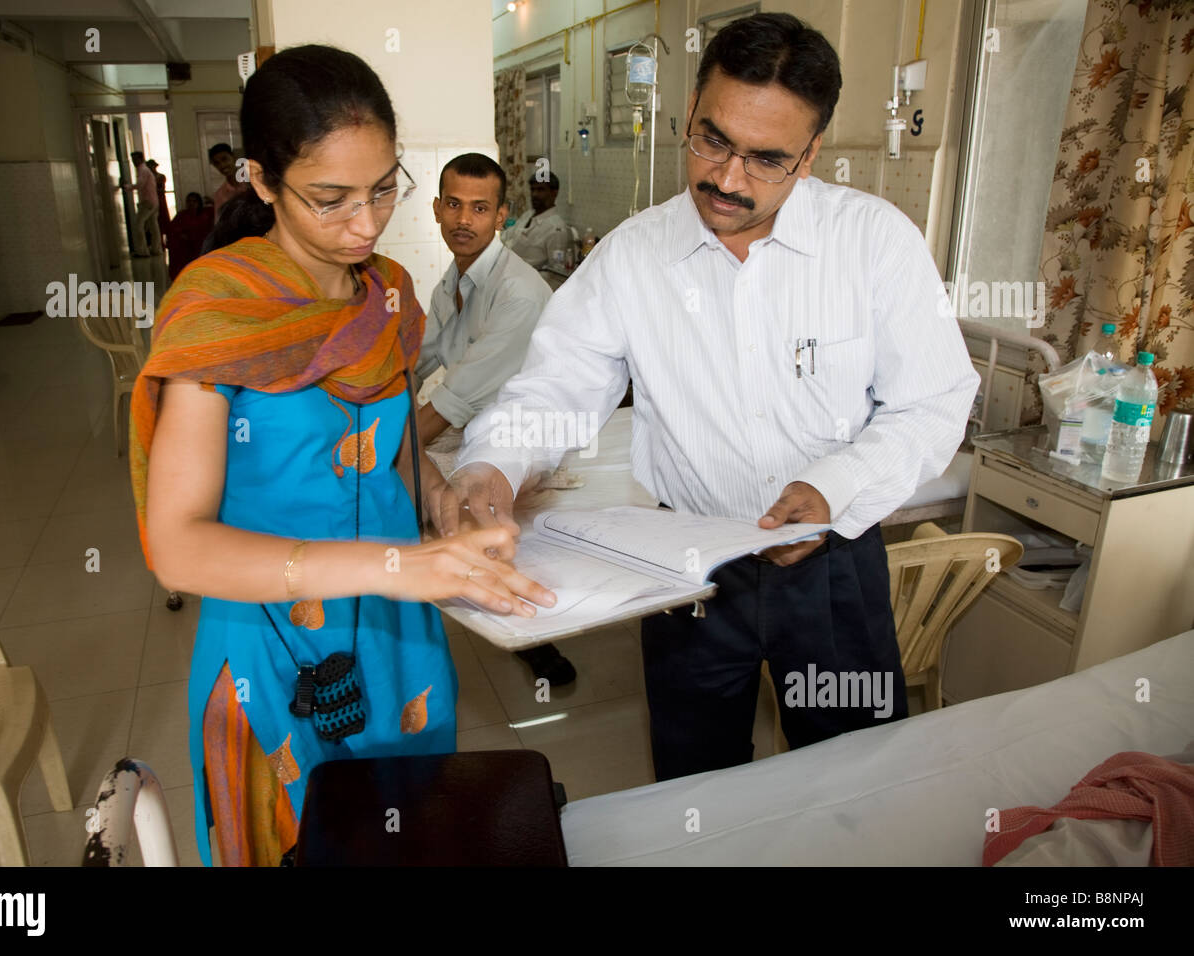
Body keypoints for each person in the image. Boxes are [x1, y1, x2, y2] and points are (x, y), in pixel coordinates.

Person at [434, 13, 980, 781]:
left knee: (854, 775)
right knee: (695, 778)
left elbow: (933, 402)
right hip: (687, 571)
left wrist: (835, 486)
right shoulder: (635, 255)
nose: (727, 179)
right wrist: (493, 463)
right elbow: (560, 384)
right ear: (689, 110)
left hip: (830, 568)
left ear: (813, 153)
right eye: (712, 140)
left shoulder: (873, 244)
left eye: (766, 160)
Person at [128, 45, 554, 866]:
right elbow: (178, 546)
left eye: (384, 188)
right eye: (331, 199)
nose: (366, 224)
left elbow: (391, 453)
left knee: (410, 837)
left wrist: (448, 499)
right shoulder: (218, 311)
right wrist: (395, 565)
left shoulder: (386, 295)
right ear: (259, 179)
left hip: (397, 641)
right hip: (271, 652)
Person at [416, 152, 577, 687]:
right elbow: (420, 358)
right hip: (475, 423)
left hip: (520, 435)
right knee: (409, 476)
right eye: (455, 206)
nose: (465, 220)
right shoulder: (456, 279)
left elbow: (448, 406)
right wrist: (366, 400)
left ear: (502, 216)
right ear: (436, 210)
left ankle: (533, 638)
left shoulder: (519, 293)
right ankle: (410, 614)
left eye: (480, 209)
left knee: (417, 481)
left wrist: (372, 441)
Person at [503, 172, 575, 290]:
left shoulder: (556, 229)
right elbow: (506, 237)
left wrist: (525, 286)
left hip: (526, 286)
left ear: (554, 193)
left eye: (541, 190)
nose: (535, 194)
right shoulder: (528, 215)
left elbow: (556, 275)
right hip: (507, 277)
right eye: (532, 190)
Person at [165, 192, 214, 280]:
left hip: (201, 246)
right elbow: (172, 229)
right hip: (186, 247)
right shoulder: (182, 215)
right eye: (189, 201)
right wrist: (182, 235)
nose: (191, 203)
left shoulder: (206, 213)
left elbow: (220, 210)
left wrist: (212, 201)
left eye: (194, 201)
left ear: (199, 203)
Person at [131, 151, 162, 256]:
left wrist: (127, 186)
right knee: (153, 226)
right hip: (153, 201)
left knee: (139, 224)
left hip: (147, 202)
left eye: (135, 159)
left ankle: (142, 250)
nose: (134, 162)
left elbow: (140, 184)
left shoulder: (143, 170)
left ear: (140, 159)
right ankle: (156, 248)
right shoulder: (145, 170)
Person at [209, 142, 251, 217]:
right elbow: (221, 223)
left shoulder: (252, 181)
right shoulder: (219, 195)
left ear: (234, 158)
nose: (222, 165)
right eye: (217, 163)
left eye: (225, 159)